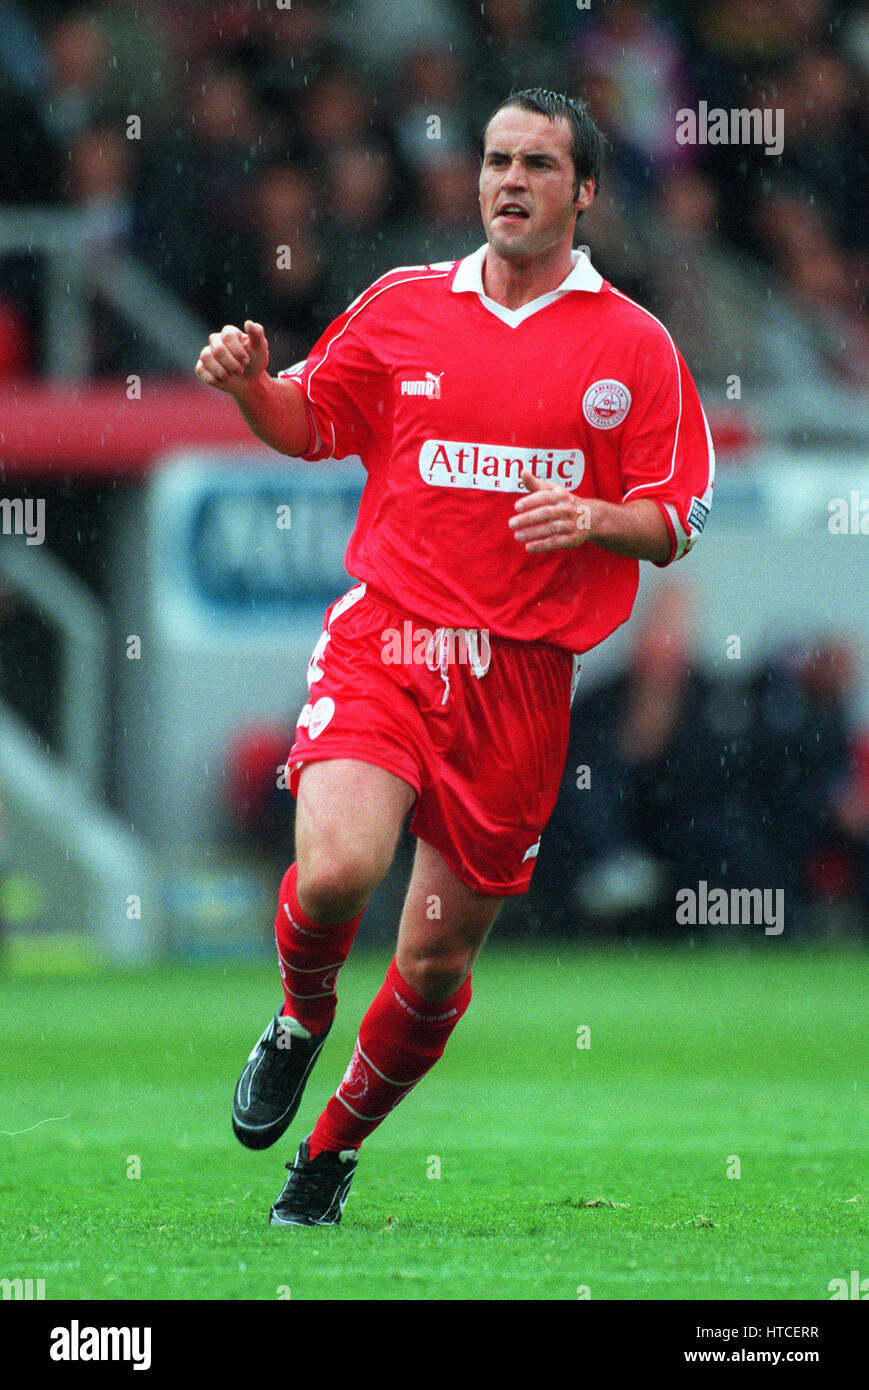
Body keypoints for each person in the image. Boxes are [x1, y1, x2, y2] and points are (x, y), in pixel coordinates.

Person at [195, 88, 715, 1226]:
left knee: (432, 965)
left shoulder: (633, 344)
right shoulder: (401, 304)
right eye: (494, 161)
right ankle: (297, 1016)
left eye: (535, 163)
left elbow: (677, 516)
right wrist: (247, 387)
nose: (508, 181)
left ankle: (327, 1155)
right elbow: (309, 421)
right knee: (335, 871)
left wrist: (594, 517)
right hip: (388, 637)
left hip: (520, 680)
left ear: (580, 191)